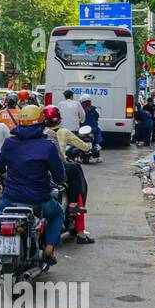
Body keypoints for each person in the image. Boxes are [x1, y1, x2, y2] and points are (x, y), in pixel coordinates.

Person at [0, 104, 67, 266]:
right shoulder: (47, 146)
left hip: (11, 197)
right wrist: (60, 180)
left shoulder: (10, 143)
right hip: (40, 198)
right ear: (40, 124)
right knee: (58, 213)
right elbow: (59, 176)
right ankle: (49, 249)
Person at [43, 104, 95, 244]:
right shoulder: (58, 133)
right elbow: (60, 157)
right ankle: (75, 211)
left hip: (38, 172)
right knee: (75, 171)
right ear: (58, 119)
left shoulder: (36, 133)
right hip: (56, 170)